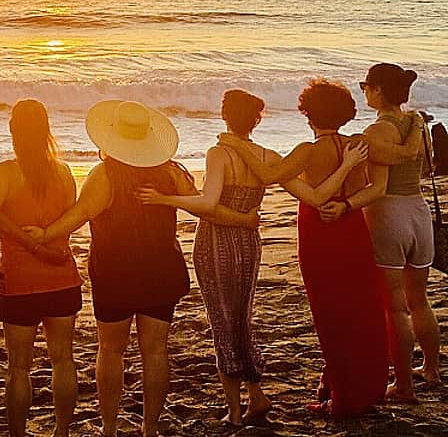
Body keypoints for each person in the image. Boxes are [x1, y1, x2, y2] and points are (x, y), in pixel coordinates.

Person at [137, 90, 361, 427]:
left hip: (215, 243)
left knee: (223, 323)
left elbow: (209, 204)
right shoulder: (267, 156)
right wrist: (345, 167)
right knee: (241, 317)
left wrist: (164, 199)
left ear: (225, 117)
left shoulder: (218, 154)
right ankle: (256, 394)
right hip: (249, 243)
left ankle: (235, 409)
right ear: (256, 120)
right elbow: (315, 197)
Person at [218, 79, 410, 418]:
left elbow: (266, 174)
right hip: (352, 229)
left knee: (331, 315)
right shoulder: (359, 144)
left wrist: (234, 142)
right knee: (361, 307)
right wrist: (348, 204)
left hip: (320, 234)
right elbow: (380, 184)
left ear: (308, 115)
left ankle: (344, 395)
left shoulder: (307, 151)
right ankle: (362, 387)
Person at [33, 100, 199, 437]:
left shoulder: (105, 175)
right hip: (161, 270)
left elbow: (78, 216)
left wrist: (47, 234)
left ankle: (109, 427)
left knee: (110, 350)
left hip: (115, 273)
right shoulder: (170, 172)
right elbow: (198, 202)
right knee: (155, 350)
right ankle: (150, 427)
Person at [0, 99, 82, 437]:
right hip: (62, 277)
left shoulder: (7, 173)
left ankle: (18, 434)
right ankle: (62, 431)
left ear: (13, 132)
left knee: (18, 368)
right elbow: (70, 220)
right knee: (63, 360)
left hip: (21, 282)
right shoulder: (64, 172)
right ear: (46, 130)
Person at [357, 63, 440, 399]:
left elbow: (377, 179)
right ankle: (431, 368)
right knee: (420, 300)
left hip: (388, 214)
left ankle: (403, 384)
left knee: (395, 305)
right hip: (418, 211)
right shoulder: (416, 124)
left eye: (365, 85)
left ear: (378, 91)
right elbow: (427, 164)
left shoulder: (376, 132)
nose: (363, 91)